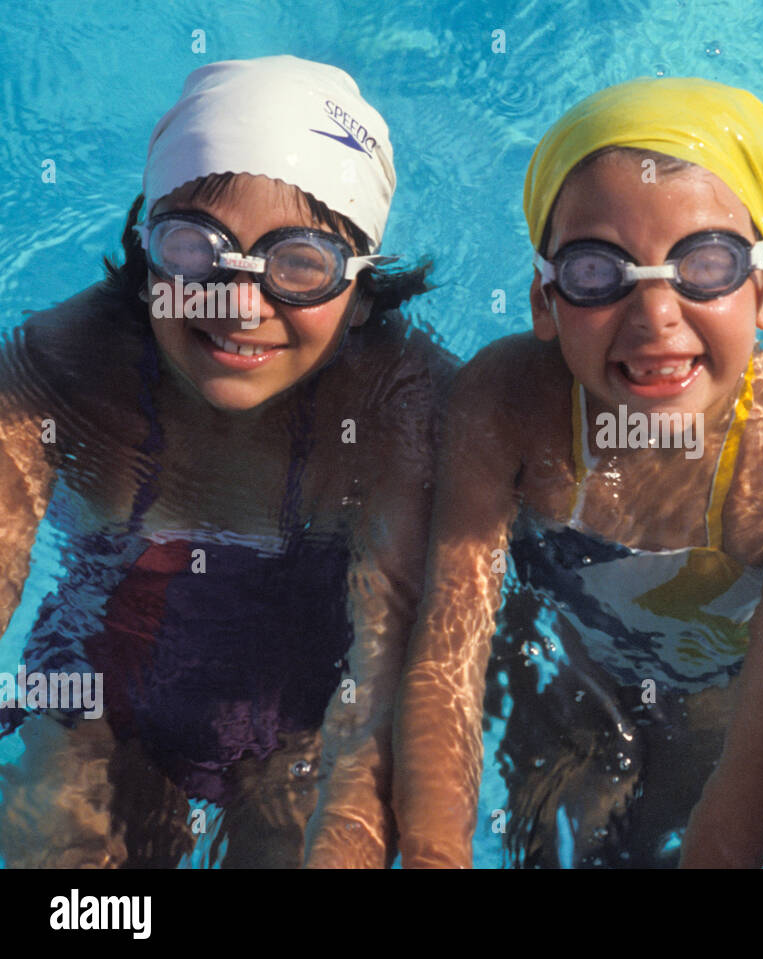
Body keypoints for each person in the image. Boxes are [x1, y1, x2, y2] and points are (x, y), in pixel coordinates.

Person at [394, 77, 763, 868]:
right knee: (549, 846)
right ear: (543, 300)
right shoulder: (508, 405)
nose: (656, 317)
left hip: (717, 698)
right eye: (597, 271)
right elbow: (444, 661)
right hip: (565, 652)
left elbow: (756, 766)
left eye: (707, 263)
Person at [0, 56, 456, 868]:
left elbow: (392, 682)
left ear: (360, 290)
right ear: (147, 250)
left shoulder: (404, 413)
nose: (238, 304)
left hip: (306, 729)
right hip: (98, 699)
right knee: (57, 863)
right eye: (195, 248)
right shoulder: (62, 370)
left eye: (299, 264)